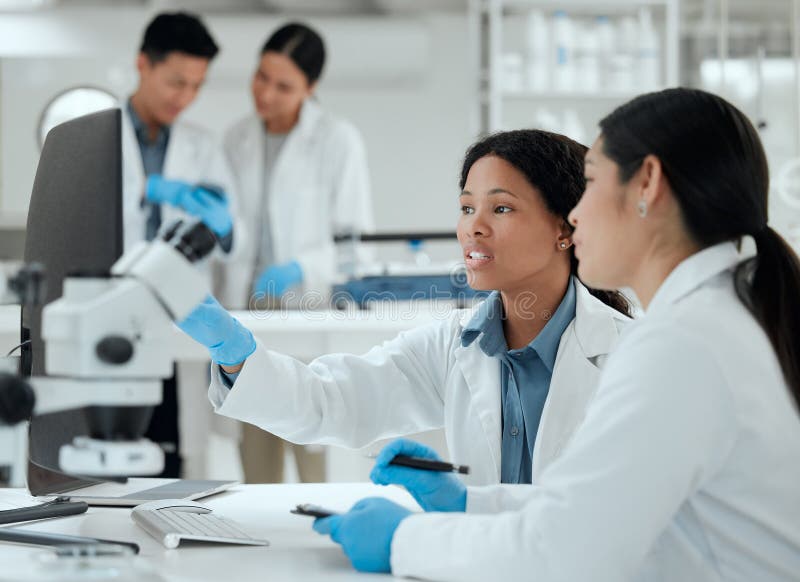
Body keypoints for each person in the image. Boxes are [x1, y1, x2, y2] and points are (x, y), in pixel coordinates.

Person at [310, 88, 800, 580]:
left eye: (589, 184)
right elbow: (601, 512)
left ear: (647, 182)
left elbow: (564, 552)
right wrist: (471, 505)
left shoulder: (681, 345)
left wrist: (402, 540)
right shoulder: (719, 319)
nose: (577, 213)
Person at [178, 129, 632, 491]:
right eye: (467, 207)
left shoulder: (631, 357)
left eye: (501, 208)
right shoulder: (454, 346)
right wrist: (236, 352)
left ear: (565, 229)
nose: (473, 226)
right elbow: (333, 401)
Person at [216, 22, 374, 483]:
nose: (265, 93)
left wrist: (301, 267)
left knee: (312, 449)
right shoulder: (236, 139)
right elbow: (233, 232)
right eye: (261, 77)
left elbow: (354, 244)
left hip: (307, 306)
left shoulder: (337, 140)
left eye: (283, 86)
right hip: (247, 311)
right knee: (257, 457)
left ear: (311, 88)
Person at [123, 12, 241, 477]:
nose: (186, 98)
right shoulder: (98, 134)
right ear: (142, 65)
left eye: (197, 86)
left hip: (176, 319)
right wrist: (146, 190)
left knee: (170, 459)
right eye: (176, 82)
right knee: (106, 460)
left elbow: (233, 235)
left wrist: (224, 226)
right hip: (116, 310)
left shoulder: (202, 146)